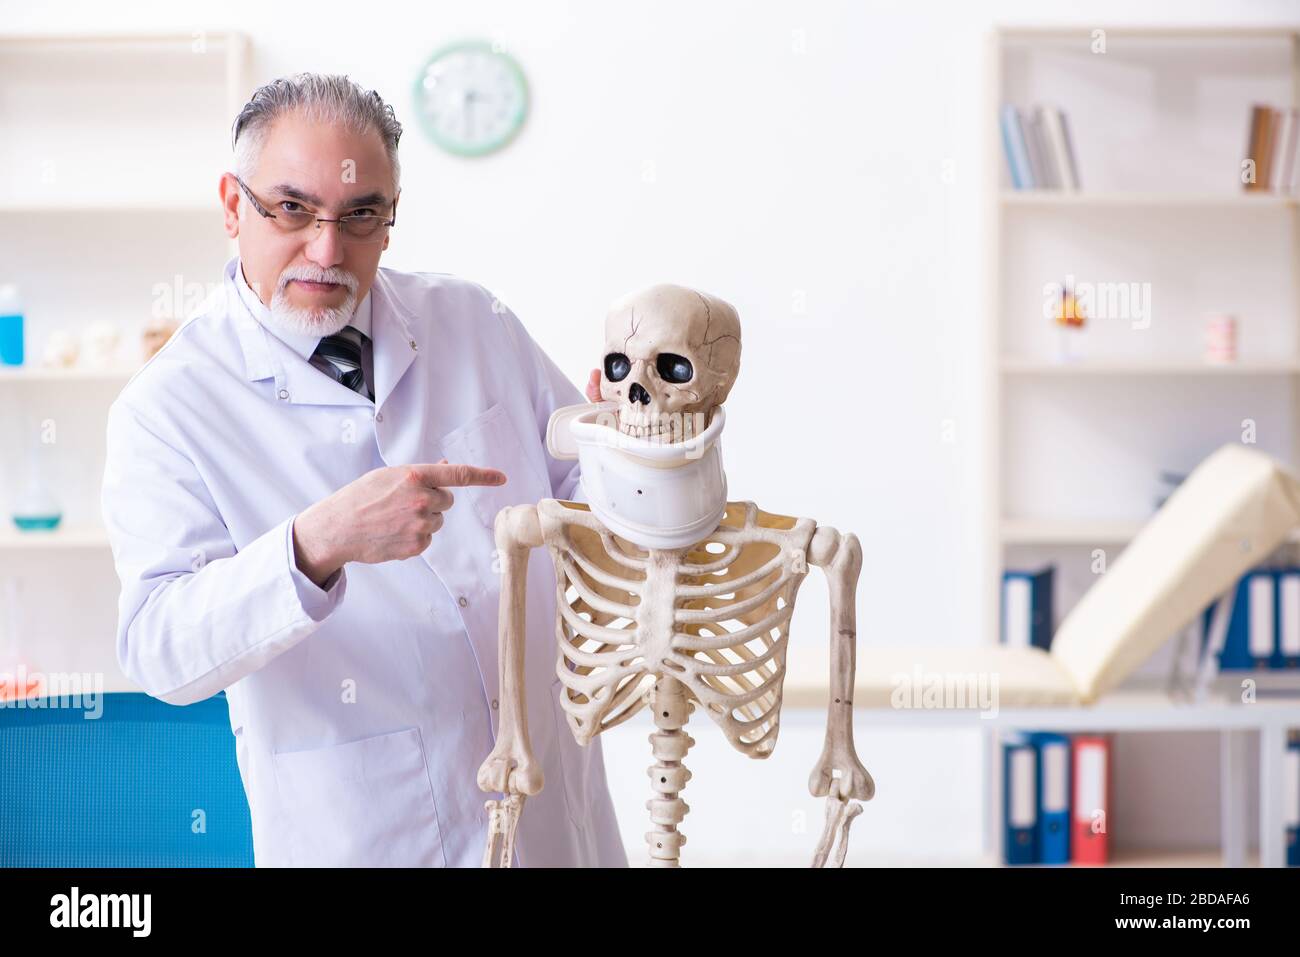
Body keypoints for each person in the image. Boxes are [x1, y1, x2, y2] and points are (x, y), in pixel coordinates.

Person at [101, 73, 625, 867]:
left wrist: (635, 451)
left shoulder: (473, 322)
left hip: (557, 820)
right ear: (232, 206)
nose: (325, 248)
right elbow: (159, 649)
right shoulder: (168, 408)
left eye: (359, 215)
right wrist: (316, 543)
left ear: (391, 219)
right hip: (372, 834)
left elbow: (583, 488)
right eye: (291, 209)